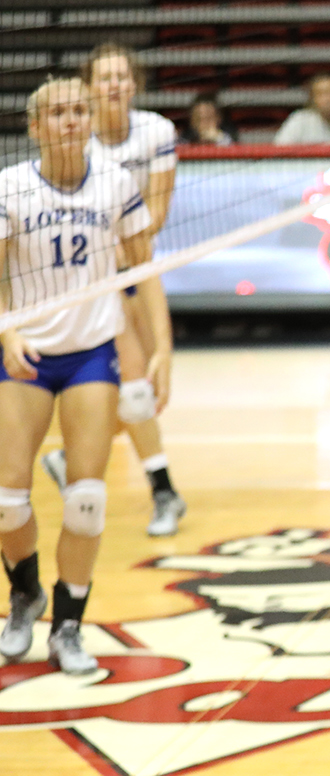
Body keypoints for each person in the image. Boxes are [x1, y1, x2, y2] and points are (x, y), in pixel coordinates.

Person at [2, 77, 172, 673]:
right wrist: (8, 330)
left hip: (91, 355)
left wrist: (162, 349)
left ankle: (68, 628)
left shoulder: (116, 183)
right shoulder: (10, 187)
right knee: (6, 502)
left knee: (87, 500)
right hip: (26, 357)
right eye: (59, 112)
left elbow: (145, 266)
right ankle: (25, 595)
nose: (72, 120)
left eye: (80, 110)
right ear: (36, 126)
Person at [43, 42, 187, 538]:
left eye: (123, 76)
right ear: (89, 86)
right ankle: (165, 491)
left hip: (133, 270)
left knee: (139, 396)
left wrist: (128, 254)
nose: (115, 86)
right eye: (105, 78)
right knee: (136, 394)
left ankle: (69, 456)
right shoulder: (80, 138)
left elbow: (157, 213)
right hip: (97, 279)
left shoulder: (156, 131)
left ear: (135, 84)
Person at [274, 72, 330, 145]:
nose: (328, 99)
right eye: (321, 94)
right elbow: (279, 151)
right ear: (312, 99)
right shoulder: (299, 121)